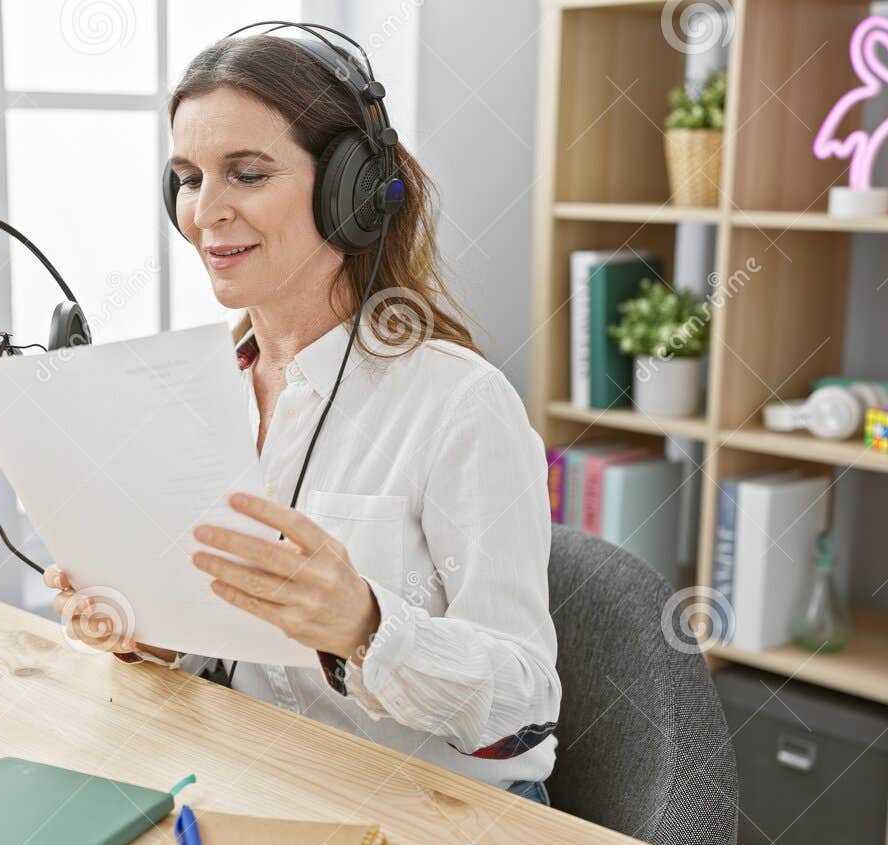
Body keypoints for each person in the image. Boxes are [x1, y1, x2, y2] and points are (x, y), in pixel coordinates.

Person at [45, 24, 560, 804]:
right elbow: (228, 652)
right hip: (264, 784)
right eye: (187, 178)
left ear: (349, 191)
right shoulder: (194, 392)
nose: (204, 213)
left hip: (438, 813)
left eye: (246, 174)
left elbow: (526, 702)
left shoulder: (460, 405)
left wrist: (364, 626)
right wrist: (147, 634)